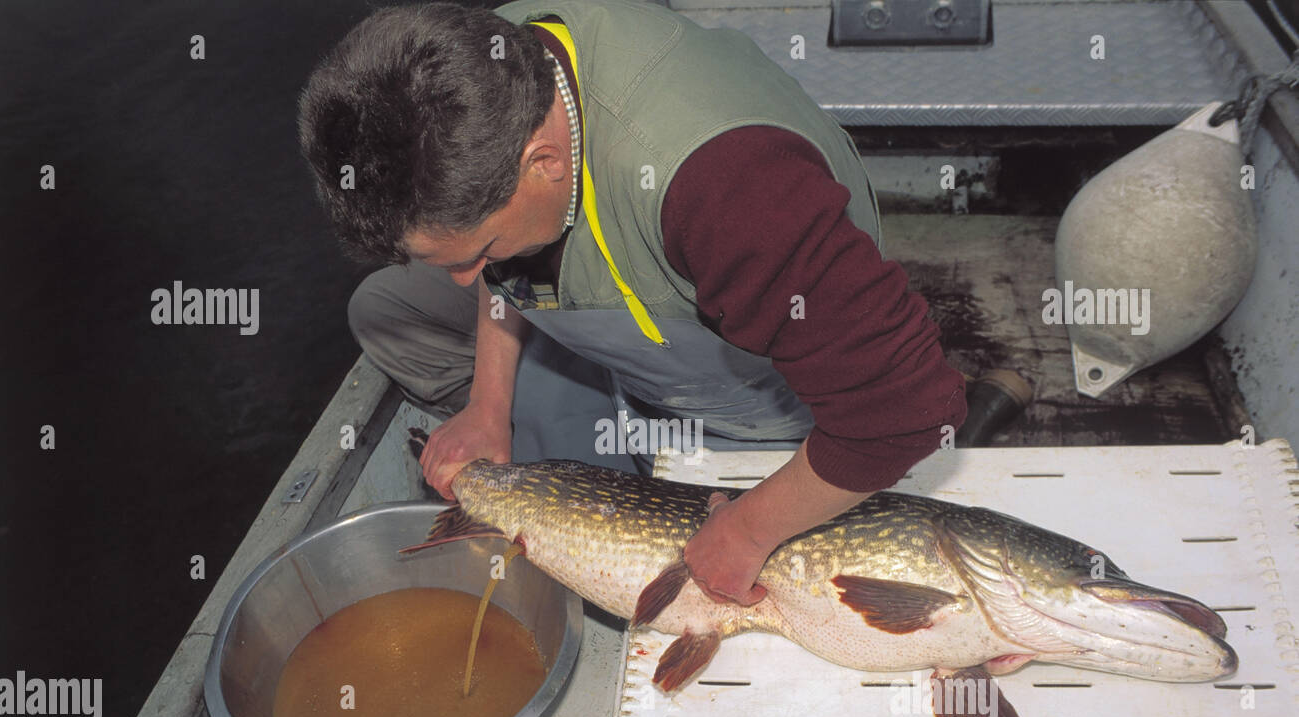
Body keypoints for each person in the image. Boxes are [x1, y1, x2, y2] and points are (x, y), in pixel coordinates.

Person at [298, 0, 967, 607]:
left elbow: (906, 411)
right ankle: (574, 401)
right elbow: (495, 268)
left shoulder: (727, 192)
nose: (467, 279)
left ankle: (678, 435)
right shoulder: (486, 64)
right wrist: (486, 404)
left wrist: (748, 530)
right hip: (629, 292)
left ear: (543, 161)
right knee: (385, 308)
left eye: (479, 252)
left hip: (760, 372)